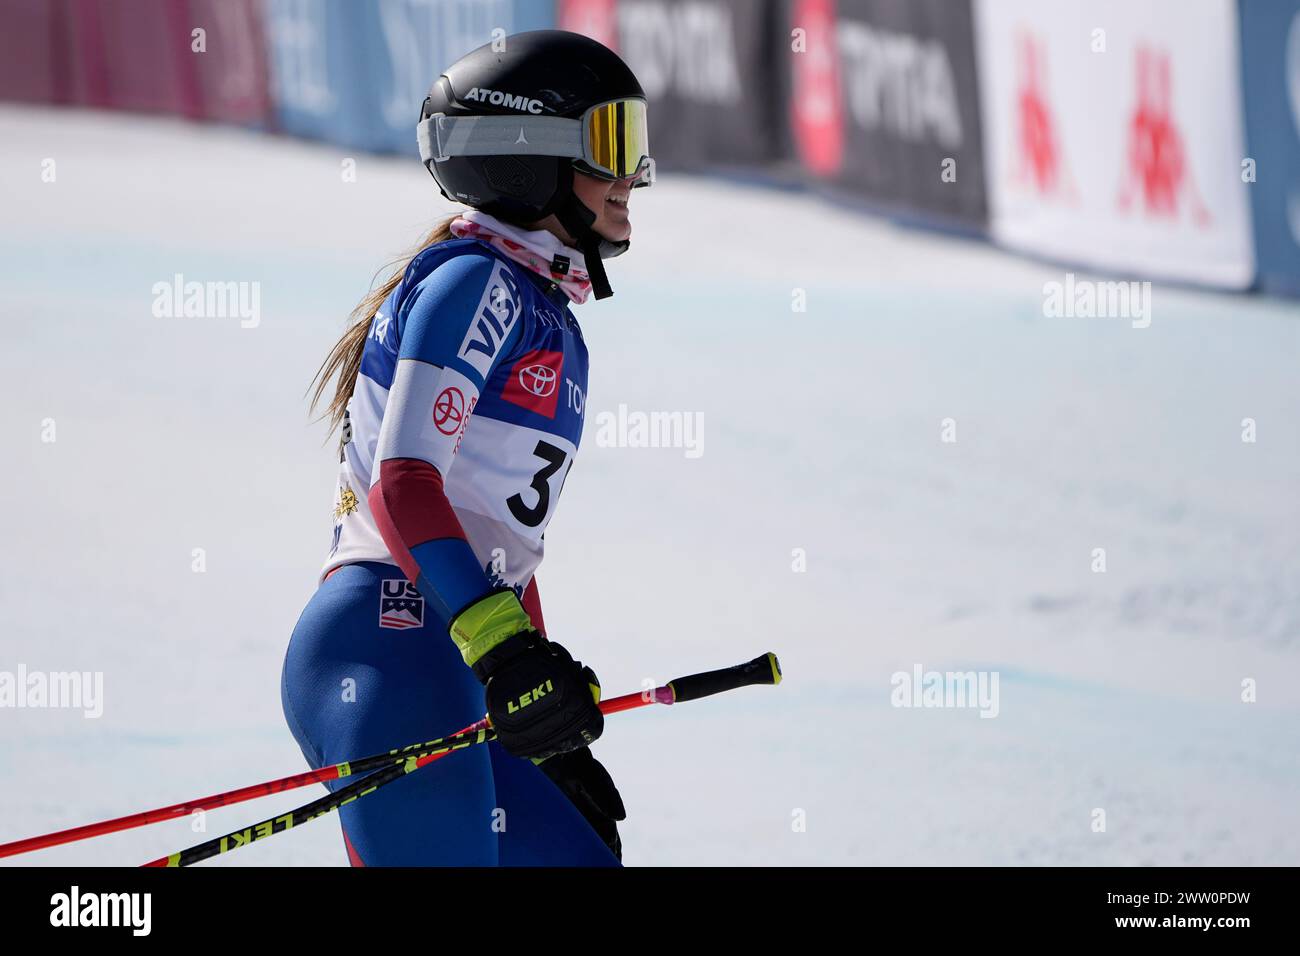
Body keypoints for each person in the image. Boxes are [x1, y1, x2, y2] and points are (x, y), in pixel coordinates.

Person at [280, 30, 654, 866]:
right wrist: (508, 649)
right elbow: (404, 486)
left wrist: (551, 725)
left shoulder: (543, 309)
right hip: (386, 644)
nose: (634, 175)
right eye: (611, 145)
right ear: (531, 160)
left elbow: (501, 553)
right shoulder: (476, 281)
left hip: (452, 651)